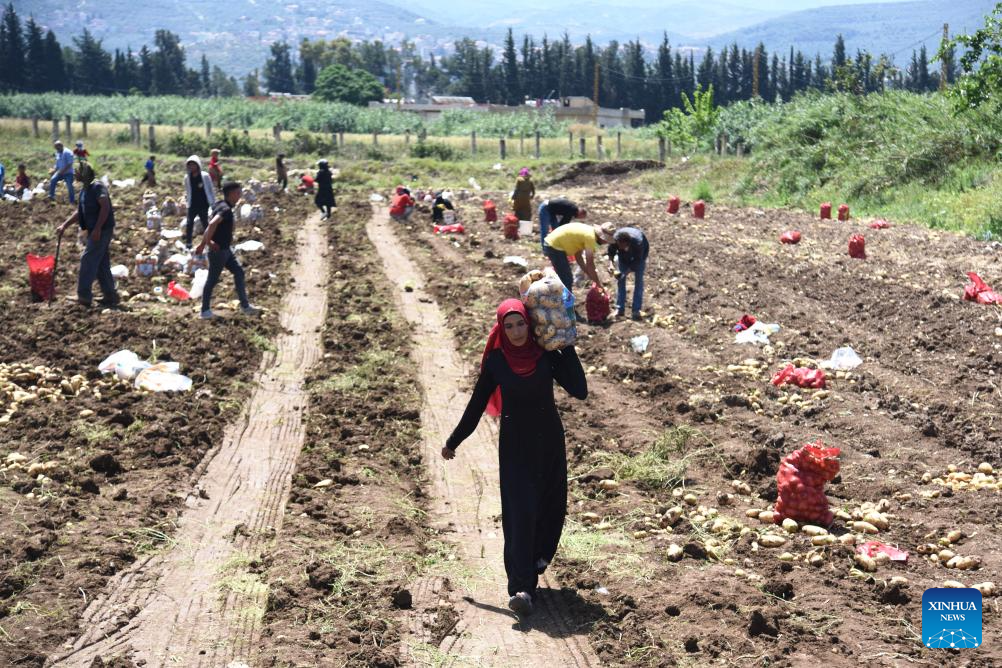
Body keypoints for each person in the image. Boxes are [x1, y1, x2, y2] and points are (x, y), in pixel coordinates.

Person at [442, 299, 587, 618]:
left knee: (550, 506)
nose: (517, 331)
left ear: (529, 323)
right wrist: (454, 441)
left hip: (549, 443)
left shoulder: (546, 355)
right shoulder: (496, 362)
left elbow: (579, 390)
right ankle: (521, 588)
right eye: (509, 326)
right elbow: (476, 404)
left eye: (520, 324)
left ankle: (538, 559)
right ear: (501, 329)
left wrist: (568, 347)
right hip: (515, 448)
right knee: (520, 514)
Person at [55, 162, 119, 307]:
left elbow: (105, 206)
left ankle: (83, 295)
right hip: (95, 229)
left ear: (84, 174)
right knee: (101, 263)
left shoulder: (97, 187)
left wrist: (97, 229)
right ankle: (110, 296)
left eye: (77, 171)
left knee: (88, 259)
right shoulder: (85, 190)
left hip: (101, 230)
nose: (75, 174)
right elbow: (80, 212)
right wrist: (65, 225)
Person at [195, 181, 262, 320]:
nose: (240, 196)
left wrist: (203, 244)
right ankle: (205, 310)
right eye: (238, 193)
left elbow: (210, 225)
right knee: (212, 280)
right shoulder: (225, 210)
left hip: (225, 250)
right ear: (231, 194)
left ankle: (245, 306)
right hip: (219, 251)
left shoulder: (219, 204)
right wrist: (207, 242)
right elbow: (213, 224)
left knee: (238, 272)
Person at [542, 221, 614, 295]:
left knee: (564, 277)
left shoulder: (589, 233)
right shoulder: (590, 238)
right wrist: (599, 284)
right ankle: (565, 303)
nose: (606, 242)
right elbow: (590, 263)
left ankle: (559, 297)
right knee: (567, 279)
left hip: (552, 244)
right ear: (602, 237)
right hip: (554, 246)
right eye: (606, 240)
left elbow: (578, 257)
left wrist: (589, 274)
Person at [606, 226, 650, 320]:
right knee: (620, 281)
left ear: (628, 243)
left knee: (638, 282)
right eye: (619, 245)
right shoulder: (616, 240)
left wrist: (626, 272)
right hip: (623, 257)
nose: (620, 247)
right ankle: (619, 309)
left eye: (622, 246)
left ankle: (636, 311)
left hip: (640, 257)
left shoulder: (638, 242)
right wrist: (611, 264)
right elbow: (611, 252)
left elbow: (638, 260)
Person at [183, 155, 216, 248]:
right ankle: (188, 243)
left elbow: (211, 189)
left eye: (193, 165)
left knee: (205, 223)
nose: (191, 167)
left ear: (198, 165)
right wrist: (187, 201)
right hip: (192, 204)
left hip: (203, 204)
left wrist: (213, 203)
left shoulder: (205, 176)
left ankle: (209, 241)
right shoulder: (187, 177)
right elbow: (188, 190)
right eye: (190, 165)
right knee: (189, 223)